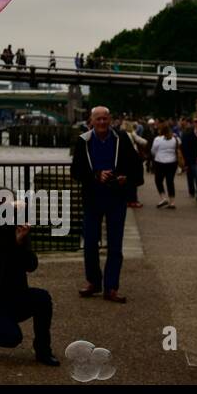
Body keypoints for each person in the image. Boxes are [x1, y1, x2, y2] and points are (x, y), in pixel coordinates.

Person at [0, 187, 59, 366]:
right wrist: (8, 207)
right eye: (5, 204)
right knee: (12, 338)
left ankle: (43, 351)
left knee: (42, 298)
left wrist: (18, 243)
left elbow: (31, 265)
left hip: (14, 299)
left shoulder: (17, 229)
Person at [71, 106, 141, 303]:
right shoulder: (83, 141)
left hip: (116, 199)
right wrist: (96, 175)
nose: (102, 122)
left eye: (105, 119)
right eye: (98, 119)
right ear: (91, 121)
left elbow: (135, 165)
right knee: (90, 243)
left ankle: (111, 287)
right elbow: (76, 171)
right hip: (92, 198)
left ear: (110, 120)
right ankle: (93, 281)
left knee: (115, 245)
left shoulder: (122, 139)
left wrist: (124, 178)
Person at [150, 119, 181, 209]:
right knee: (170, 181)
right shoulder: (175, 138)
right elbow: (179, 146)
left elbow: (153, 151)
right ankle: (172, 202)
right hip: (172, 162)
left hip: (160, 162)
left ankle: (163, 198)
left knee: (158, 180)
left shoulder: (158, 139)